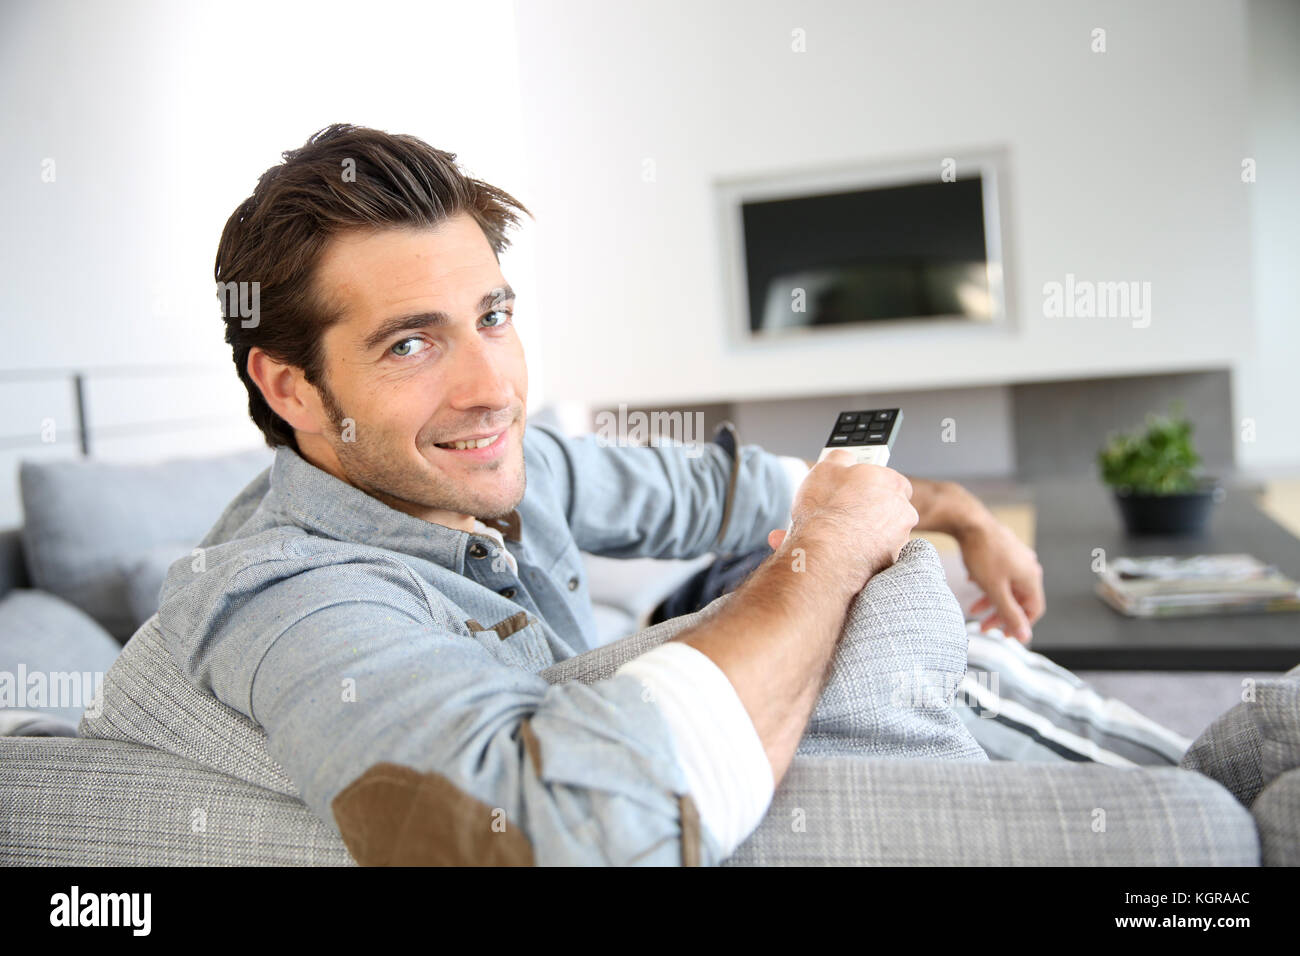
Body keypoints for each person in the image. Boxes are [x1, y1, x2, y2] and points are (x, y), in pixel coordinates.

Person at [168, 123, 1181, 867]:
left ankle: (1163, 764)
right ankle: (1178, 783)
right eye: (411, 341)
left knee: (811, 552)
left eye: (493, 315)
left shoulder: (508, 466)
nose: (493, 388)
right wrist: (820, 553)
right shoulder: (283, 595)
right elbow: (547, 835)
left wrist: (956, 509)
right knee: (850, 581)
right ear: (290, 385)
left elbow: (743, 489)